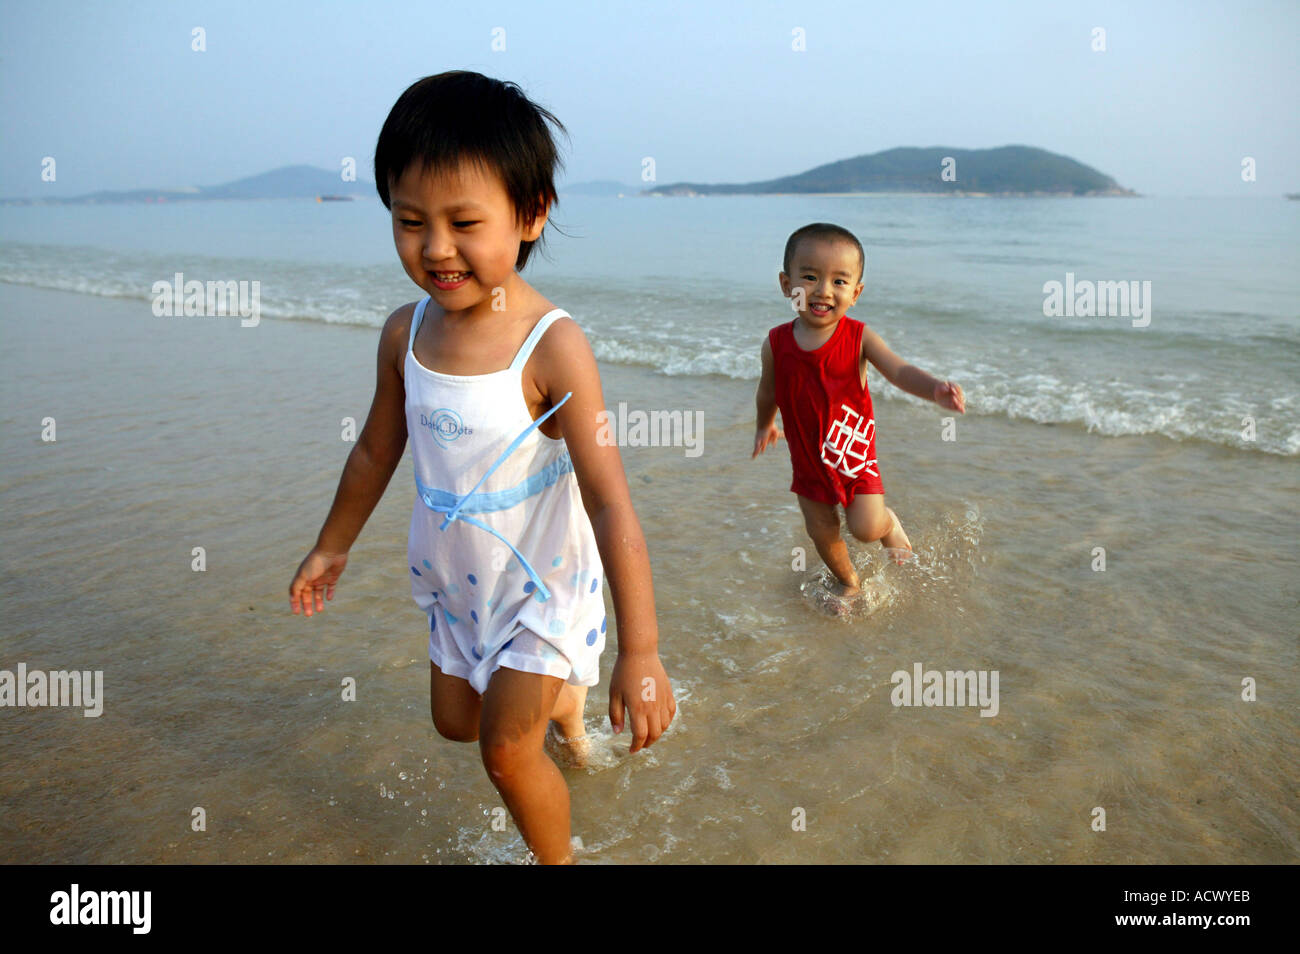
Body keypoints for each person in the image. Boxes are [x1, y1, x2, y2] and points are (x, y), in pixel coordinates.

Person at [288, 71, 674, 864]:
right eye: (408, 222)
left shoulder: (551, 346)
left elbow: (608, 501)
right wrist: (333, 544)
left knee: (503, 751)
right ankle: (563, 707)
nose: (435, 248)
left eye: (465, 222)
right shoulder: (405, 334)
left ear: (531, 213)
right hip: (457, 576)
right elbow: (375, 449)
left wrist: (641, 651)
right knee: (454, 723)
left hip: (542, 580)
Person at [753, 223, 966, 598]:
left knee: (865, 529)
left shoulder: (858, 337)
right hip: (807, 461)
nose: (822, 290)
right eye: (810, 276)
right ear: (787, 285)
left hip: (854, 453)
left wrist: (934, 389)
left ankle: (889, 524)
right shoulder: (775, 344)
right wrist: (765, 425)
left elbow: (898, 371)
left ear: (856, 292)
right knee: (820, 529)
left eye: (839, 281)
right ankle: (848, 581)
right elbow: (768, 390)